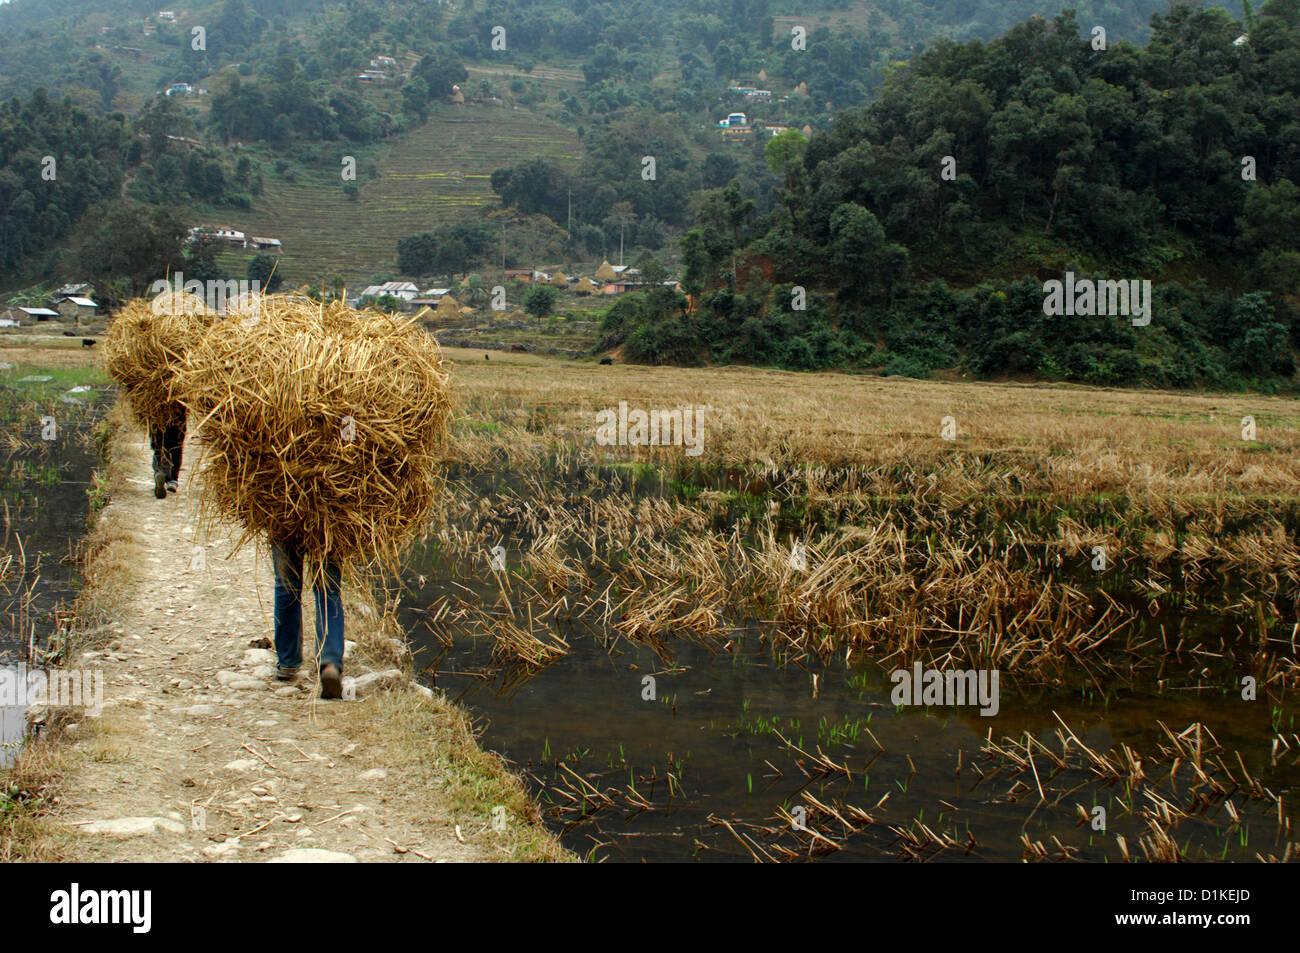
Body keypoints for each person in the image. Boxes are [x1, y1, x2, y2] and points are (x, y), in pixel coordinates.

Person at [271, 538, 344, 699]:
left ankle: (288, 662)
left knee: (286, 586)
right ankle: (330, 663)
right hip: (332, 520)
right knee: (329, 589)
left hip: (283, 517)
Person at [149, 409, 186, 500]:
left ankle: (160, 472)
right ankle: (172, 479)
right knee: (176, 446)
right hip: (177, 412)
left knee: (159, 444)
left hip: (156, 411)